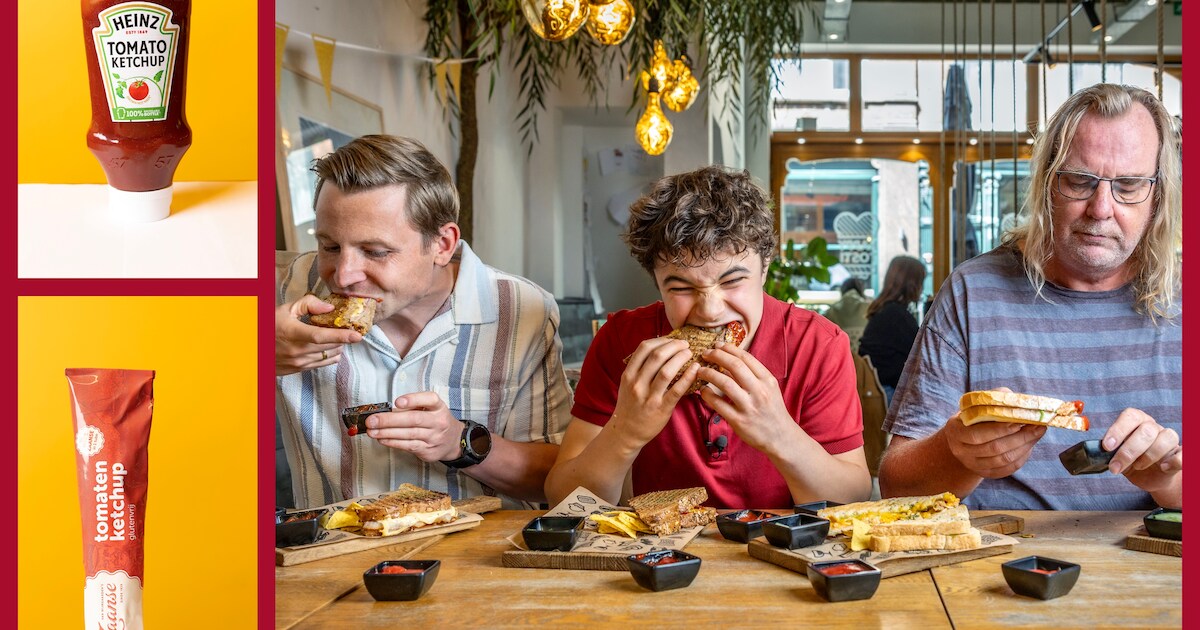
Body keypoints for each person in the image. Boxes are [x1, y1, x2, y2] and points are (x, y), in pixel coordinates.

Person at [879, 84, 1182, 510]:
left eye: (1128, 186)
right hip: (1000, 551)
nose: (1101, 208)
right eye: (1079, 181)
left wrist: (1171, 483)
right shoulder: (973, 292)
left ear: (1158, 196)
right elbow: (895, 487)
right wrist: (955, 453)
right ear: (1047, 184)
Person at [545, 166, 871, 509]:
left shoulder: (818, 344)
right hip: (654, 542)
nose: (711, 311)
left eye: (732, 281)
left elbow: (852, 498)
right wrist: (625, 432)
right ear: (657, 282)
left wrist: (780, 435)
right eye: (681, 288)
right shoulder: (622, 341)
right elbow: (562, 499)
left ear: (765, 266)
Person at [275, 135, 572, 509]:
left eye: (375, 251)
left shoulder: (522, 310)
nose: (344, 274)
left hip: (479, 546)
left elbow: (556, 479)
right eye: (330, 247)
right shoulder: (280, 289)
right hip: (330, 545)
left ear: (442, 245)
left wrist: (458, 443)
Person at [858, 256, 926, 401]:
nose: (922, 288)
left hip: (875, 390)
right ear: (912, 284)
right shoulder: (897, 315)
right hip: (887, 393)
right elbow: (923, 352)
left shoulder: (885, 310)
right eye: (921, 282)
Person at [823, 276, 872, 353]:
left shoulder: (831, 311)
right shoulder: (869, 307)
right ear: (861, 290)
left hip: (840, 355)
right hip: (864, 356)